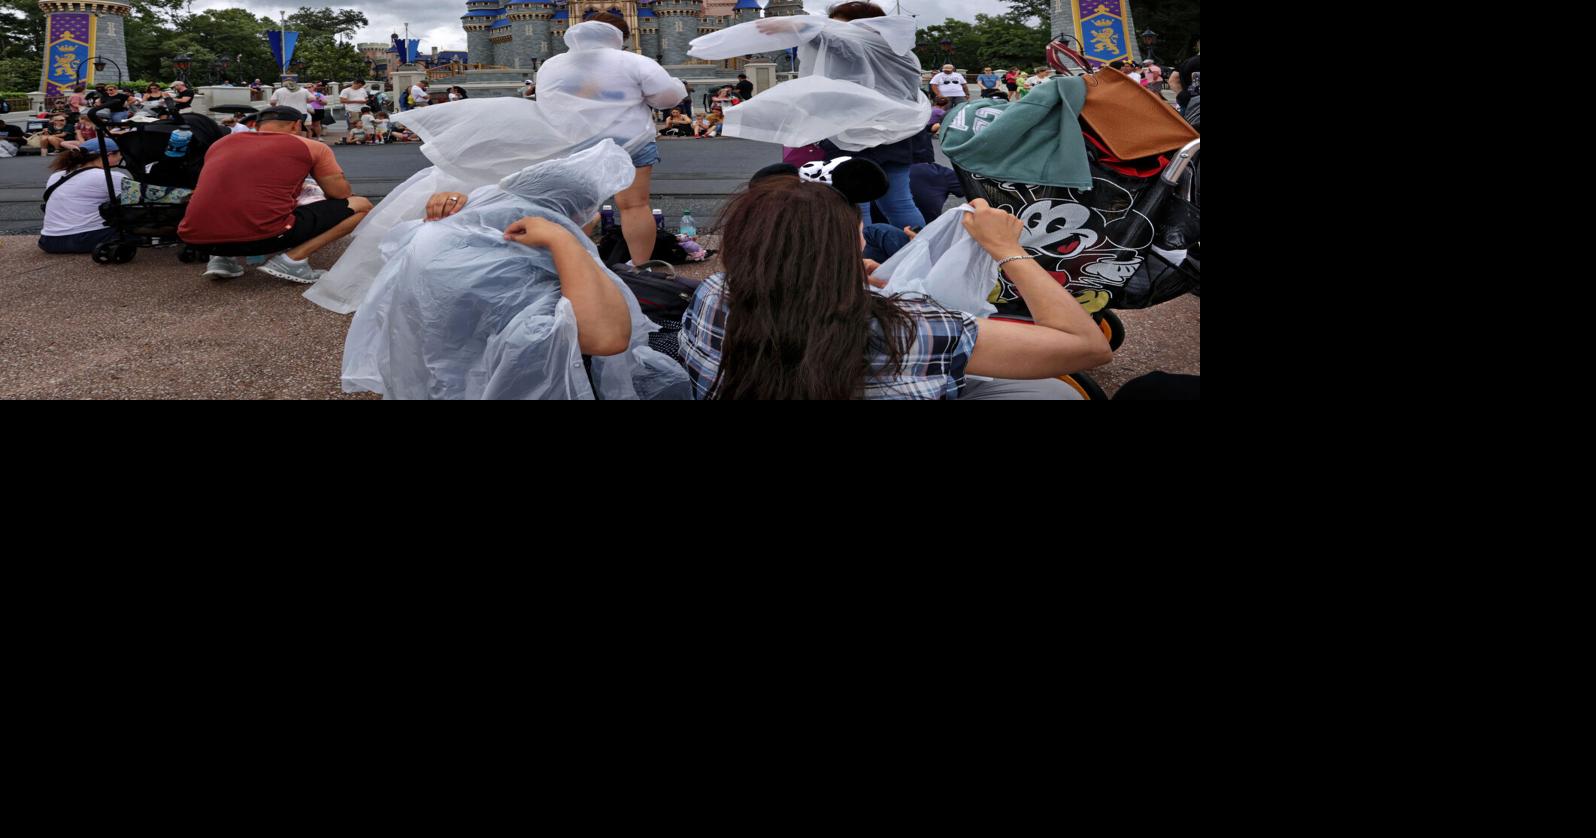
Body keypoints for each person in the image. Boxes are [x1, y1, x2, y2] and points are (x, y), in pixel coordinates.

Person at [678, 177, 1111, 399]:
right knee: (1051, 391)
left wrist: (855, 276)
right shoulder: (911, 329)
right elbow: (1086, 346)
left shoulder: (713, 293)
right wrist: (1006, 248)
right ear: (850, 244)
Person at [340, 140, 682, 400]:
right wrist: (565, 241)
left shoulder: (437, 231)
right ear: (568, 214)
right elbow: (606, 339)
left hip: (436, 379)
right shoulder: (531, 256)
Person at [689, 3, 935, 230]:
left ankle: (861, 259)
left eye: (839, 25)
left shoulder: (859, 47)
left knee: (855, 202)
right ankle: (915, 252)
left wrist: (796, 26)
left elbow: (833, 41)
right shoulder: (903, 53)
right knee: (899, 202)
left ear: (861, 26)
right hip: (899, 134)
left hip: (855, 133)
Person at [531, 13, 686, 267]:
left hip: (573, 143)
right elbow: (667, 99)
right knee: (634, 206)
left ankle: (578, 266)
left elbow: (547, 101)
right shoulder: (634, 61)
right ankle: (639, 267)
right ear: (620, 37)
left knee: (579, 207)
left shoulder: (551, 65)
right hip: (630, 140)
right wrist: (677, 86)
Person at [177, 107, 373, 283]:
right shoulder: (310, 146)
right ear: (297, 125)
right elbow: (339, 193)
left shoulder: (221, 143)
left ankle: (222, 260)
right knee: (361, 205)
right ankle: (293, 261)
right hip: (264, 237)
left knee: (230, 195)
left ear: (256, 125)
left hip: (198, 239)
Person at [38, 139, 127, 254]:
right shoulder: (110, 176)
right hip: (86, 239)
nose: (121, 157)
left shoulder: (57, 176)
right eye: (119, 153)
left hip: (48, 240)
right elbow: (140, 200)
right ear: (109, 155)